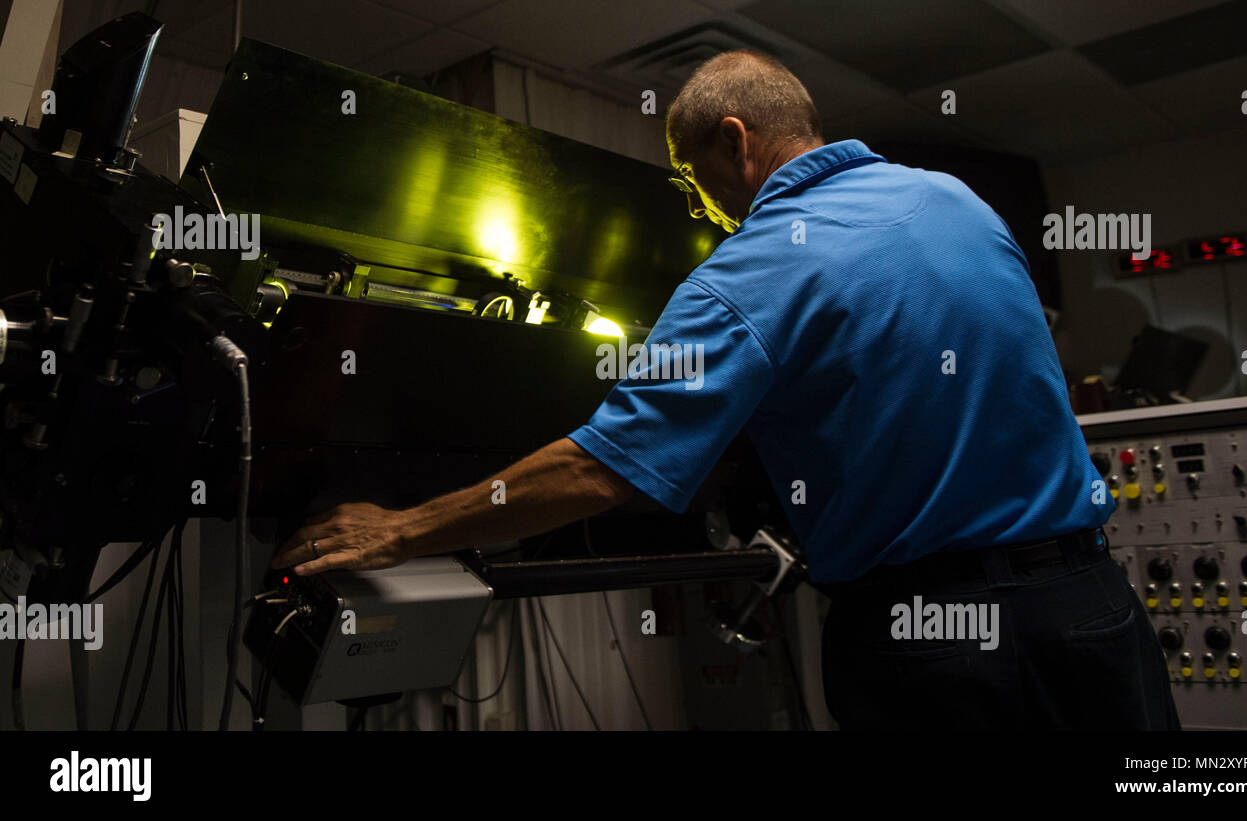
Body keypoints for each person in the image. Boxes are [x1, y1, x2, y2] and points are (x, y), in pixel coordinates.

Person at [271, 50, 1179, 731]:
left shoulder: (745, 274)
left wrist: (398, 529)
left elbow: (603, 469)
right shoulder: (958, 201)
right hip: (1091, 608)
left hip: (930, 646)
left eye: (691, 178)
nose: (701, 205)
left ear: (733, 142)